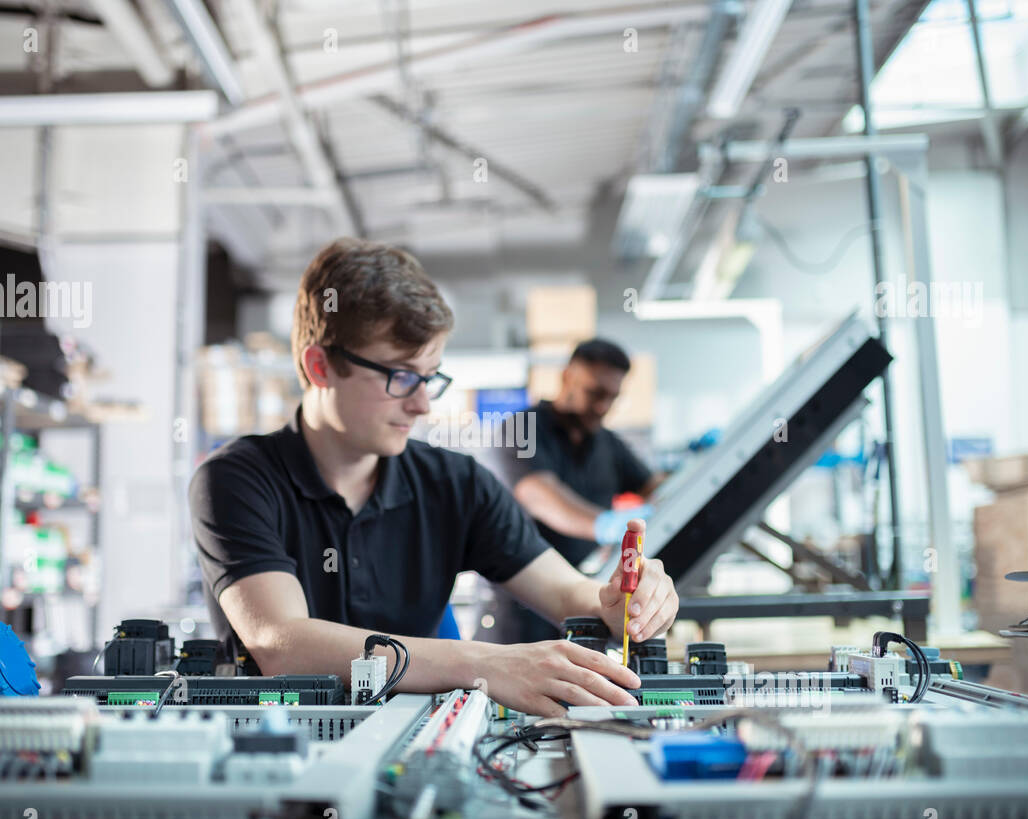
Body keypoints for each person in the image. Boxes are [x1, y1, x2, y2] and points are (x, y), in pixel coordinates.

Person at [188, 238, 678, 717]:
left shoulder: (456, 484)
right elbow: (283, 643)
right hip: (276, 764)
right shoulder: (236, 481)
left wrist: (624, 604)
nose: (422, 403)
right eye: (401, 377)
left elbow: (571, 595)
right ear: (321, 366)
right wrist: (486, 664)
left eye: (430, 377)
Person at [484, 338, 667, 643]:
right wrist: (604, 524)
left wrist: (691, 471)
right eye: (594, 393)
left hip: (585, 598)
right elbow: (537, 494)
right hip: (522, 603)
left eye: (612, 397)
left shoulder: (607, 443)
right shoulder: (523, 427)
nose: (602, 407)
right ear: (567, 376)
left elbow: (653, 486)